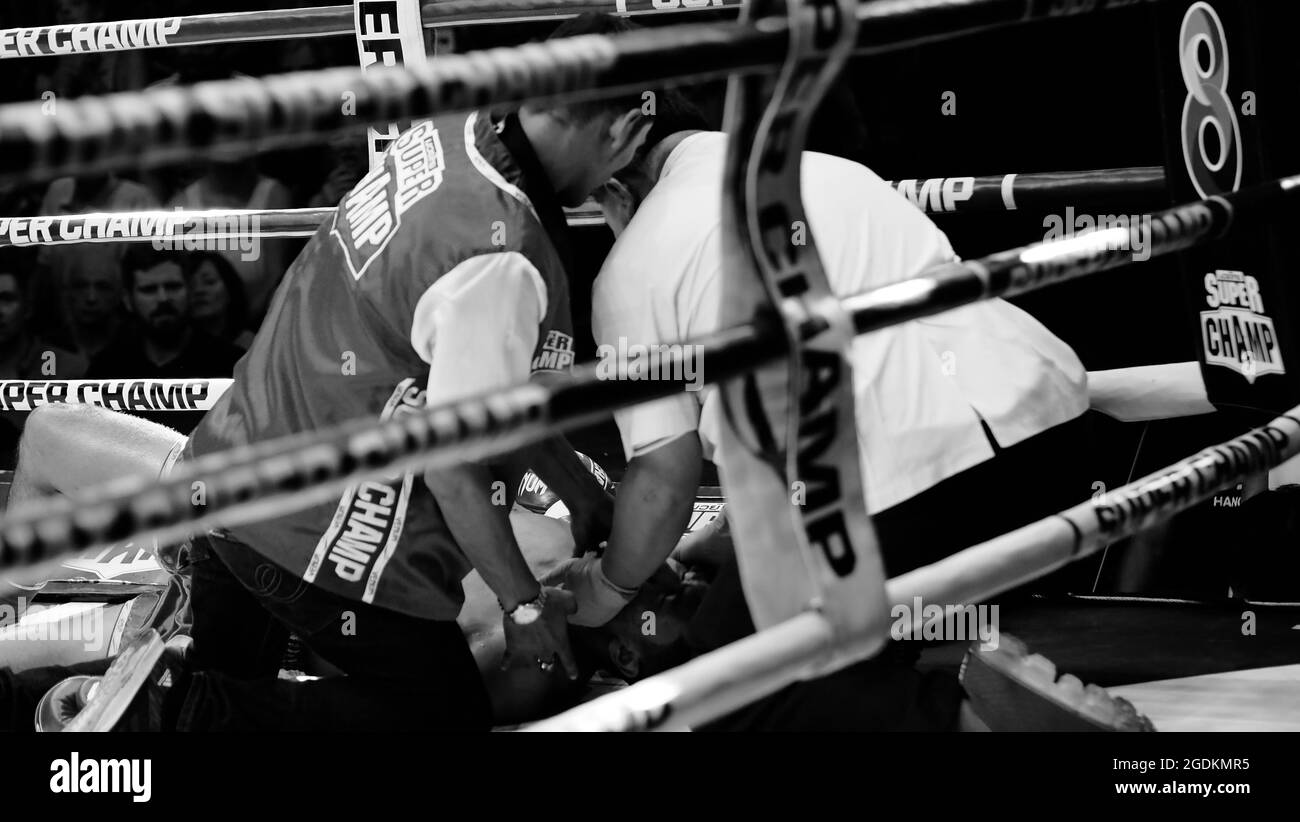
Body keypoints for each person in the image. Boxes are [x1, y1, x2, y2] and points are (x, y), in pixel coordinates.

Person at [3, 12, 655, 733]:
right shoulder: (499, 255)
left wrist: (586, 499)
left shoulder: (447, 135)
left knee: (222, 694)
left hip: (227, 484)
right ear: (623, 132)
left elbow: (491, 389)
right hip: (311, 537)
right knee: (440, 714)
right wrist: (524, 606)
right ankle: (165, 706)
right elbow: (457, 468)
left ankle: (126, 701)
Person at [548, 96, 1092, 730]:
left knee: (723, 695)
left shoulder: (632, 270)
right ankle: (992, 678)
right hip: (1048, 437)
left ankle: (986, 721)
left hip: (906, 482)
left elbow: (664, 479)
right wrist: (714, 542)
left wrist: (603, 588)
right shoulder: (829, 168)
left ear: (613, 181)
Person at [86, 247, 244, 433]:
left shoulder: (232, 364)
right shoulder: (106, 369)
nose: (163, 299)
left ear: (190, 291)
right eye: (149, 290)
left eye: (173, 287)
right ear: (128, 300)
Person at [185, 251, 255, 350]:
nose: (199, 290)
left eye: (209, 282)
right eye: (191, 285)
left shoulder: (250, 345)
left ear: (230, 289)